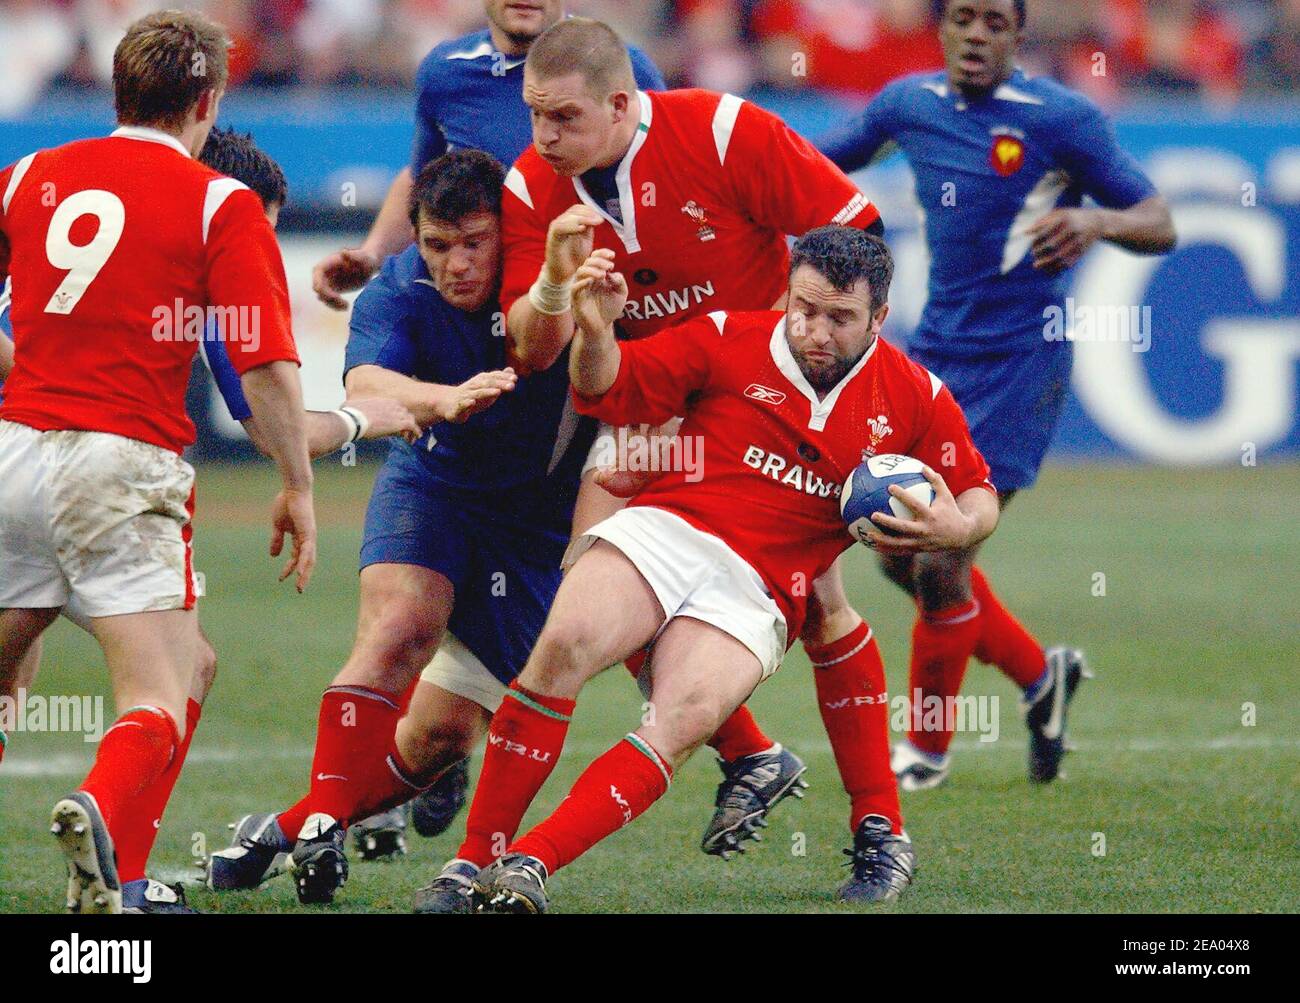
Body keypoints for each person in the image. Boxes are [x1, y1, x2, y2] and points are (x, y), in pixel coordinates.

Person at [467, 226, 998, 913]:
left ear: (879, 319)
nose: (816, 330)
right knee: (564, 642)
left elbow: (976, 487)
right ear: (786, 292)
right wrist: (596, 333)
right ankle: (470, 860)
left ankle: (530, 864)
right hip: (666, 531)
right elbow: (605, 390)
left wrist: (959, 525)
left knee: (684, 715)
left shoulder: (914, 395)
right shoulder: (724, 335)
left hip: (761, 589)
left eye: (840, 318)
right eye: (804, 308)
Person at [490, 15, 895, 859]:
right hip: (651, 400)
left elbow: (854, 230)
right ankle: (752, 753)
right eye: (533, 114)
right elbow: (532, 353)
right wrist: (559, 282)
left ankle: (876, 823)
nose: (542, 136)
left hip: (766, 403)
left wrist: (797, 357)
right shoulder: (532, 186)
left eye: (563, 117)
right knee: (594, 589)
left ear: (621, 102)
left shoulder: (722, 130)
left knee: (821, 605)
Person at [0, 126, 417, 914]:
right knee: (170, 676)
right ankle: (118, 865)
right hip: (86, 466)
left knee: (19, 667)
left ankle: (120, 878)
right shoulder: (202, 225)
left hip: (15, 464)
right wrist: (370, 420)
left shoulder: (58, 199)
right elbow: (267, 413)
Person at [207, 149, 598, 909]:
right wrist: (442, 398)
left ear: (508, 233)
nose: (455, 263)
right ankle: (325, 818)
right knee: (401, 628)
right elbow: (366, 386)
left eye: (473, 242)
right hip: (436, 481)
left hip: (537, 524)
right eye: (437, 244)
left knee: (439, 740)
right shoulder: (397, 287)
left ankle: (285, 827)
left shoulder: (553, 279)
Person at [0, 11, 316, 915]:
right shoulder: (220, 200)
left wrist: (29, 376)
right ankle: (101, 818)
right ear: (209, 100)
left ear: (118, 90)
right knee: (163, 692)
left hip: (14, 452)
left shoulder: (29, 174)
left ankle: (127, 888)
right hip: (122, 462)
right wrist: (296, 483)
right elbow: (268, 368)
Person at [817, 0, 1175, 789]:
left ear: (1018, 35)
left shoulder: (1062, 119)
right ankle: (1041, 678)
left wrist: (1094, 223)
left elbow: (1159, 219)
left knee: (943, 555)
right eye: (963, 19)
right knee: (899, 551)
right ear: (941, 27)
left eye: (995, 23)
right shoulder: (907, 103)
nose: (977, 36)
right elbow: (818, 159)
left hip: (1022, 360)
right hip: (937, 357)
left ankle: (926, 752)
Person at [310, 0, 664, 311]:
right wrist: (372, 254)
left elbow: (663, 178)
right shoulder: (446, 72)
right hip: (481, 306)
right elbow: (423, 181)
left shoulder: (620, 66)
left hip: (589, 294)